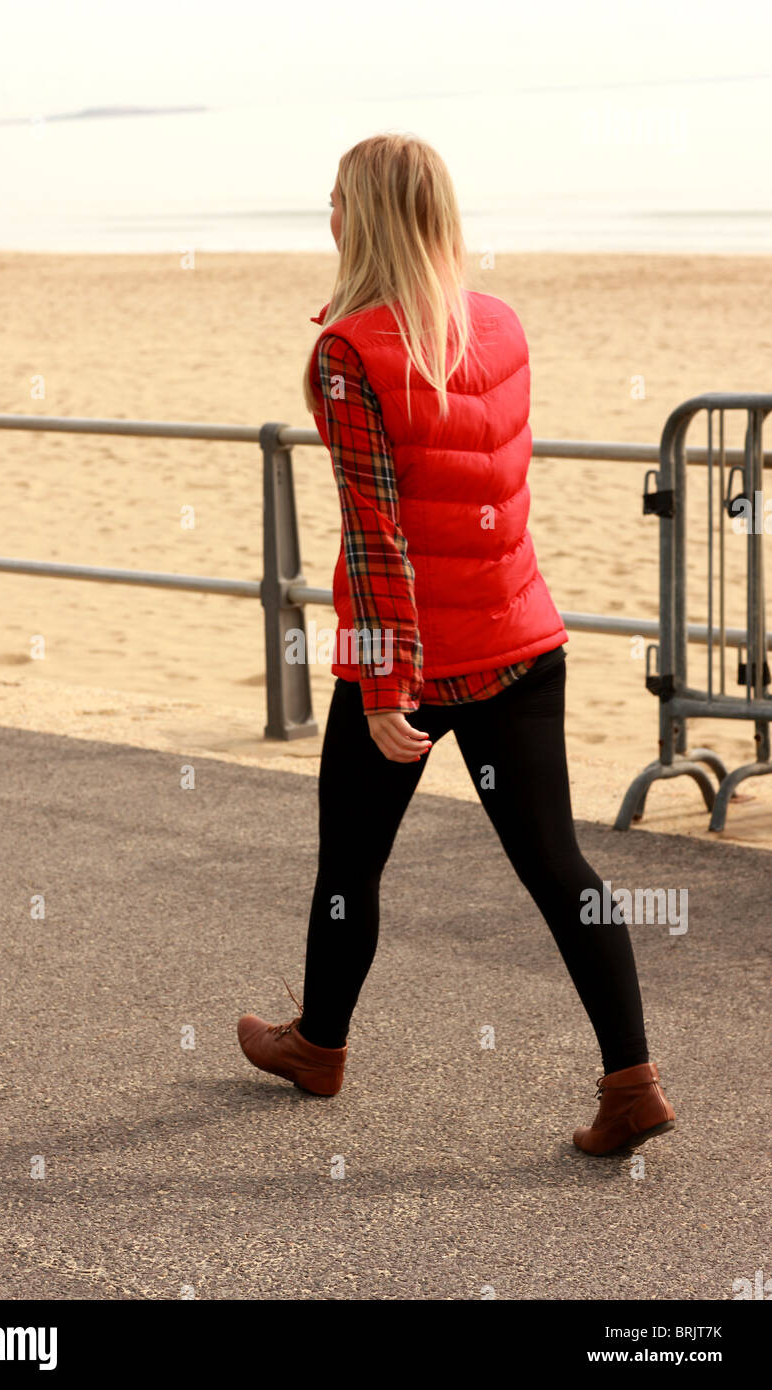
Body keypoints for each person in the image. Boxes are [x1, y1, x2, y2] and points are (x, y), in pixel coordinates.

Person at [238, 133, 675, 1156]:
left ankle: (319, 1047)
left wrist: (388, 684)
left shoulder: (348, 351)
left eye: (339, 200)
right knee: (558, 866)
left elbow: (378, 529)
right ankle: (631, 1082)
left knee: (350, 858)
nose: (328, 214)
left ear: (371, 217)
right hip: (522, 636)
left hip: (413, 655)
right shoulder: (499, 322)